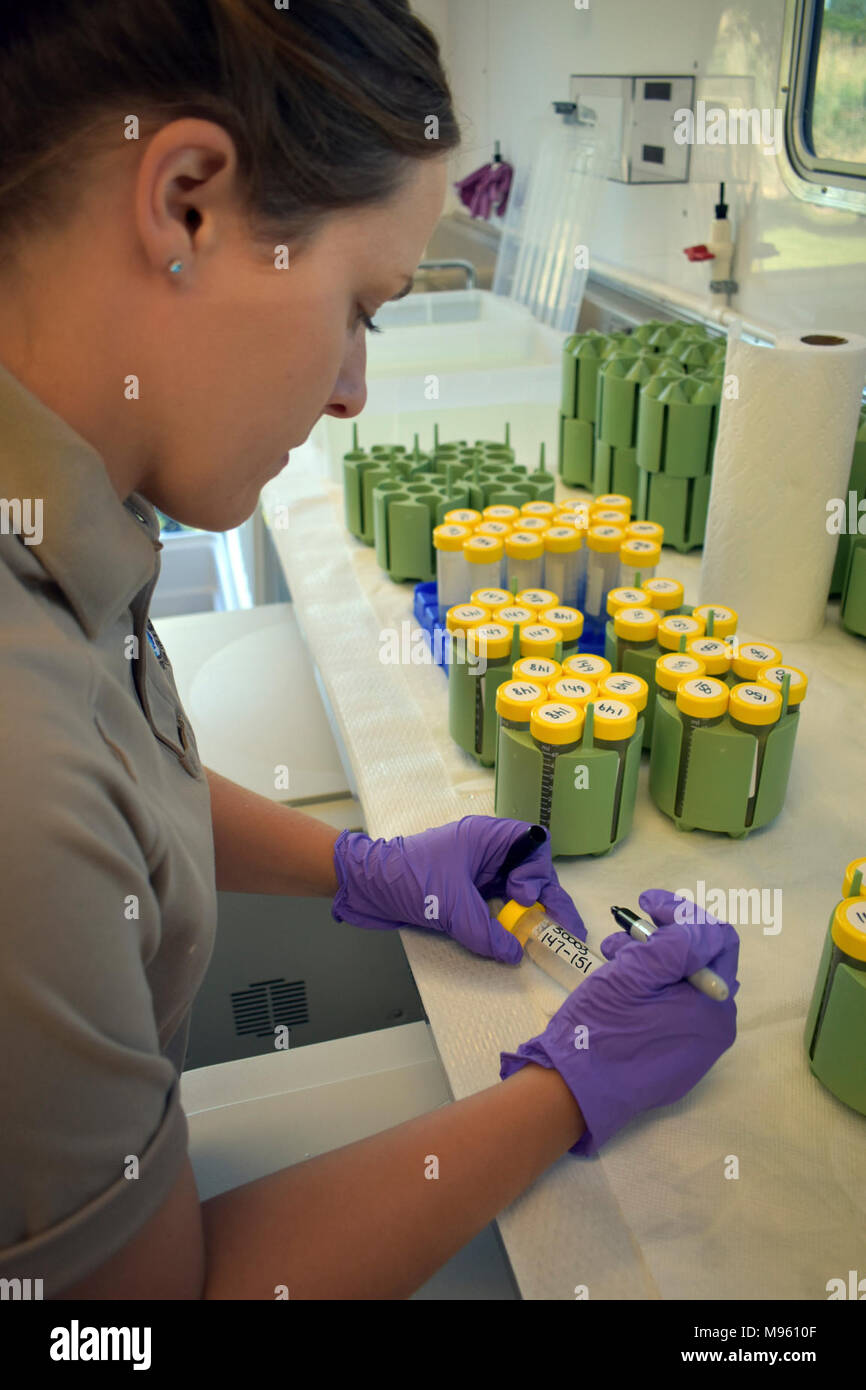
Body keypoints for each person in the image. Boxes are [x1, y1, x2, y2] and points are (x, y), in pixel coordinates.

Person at [0, 0, 739, 1301]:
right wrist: (561, 1091)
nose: (352, 389)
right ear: (185, 205)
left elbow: (123, 789)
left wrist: (364, 862)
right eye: (358, 307)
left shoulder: (65, 501)